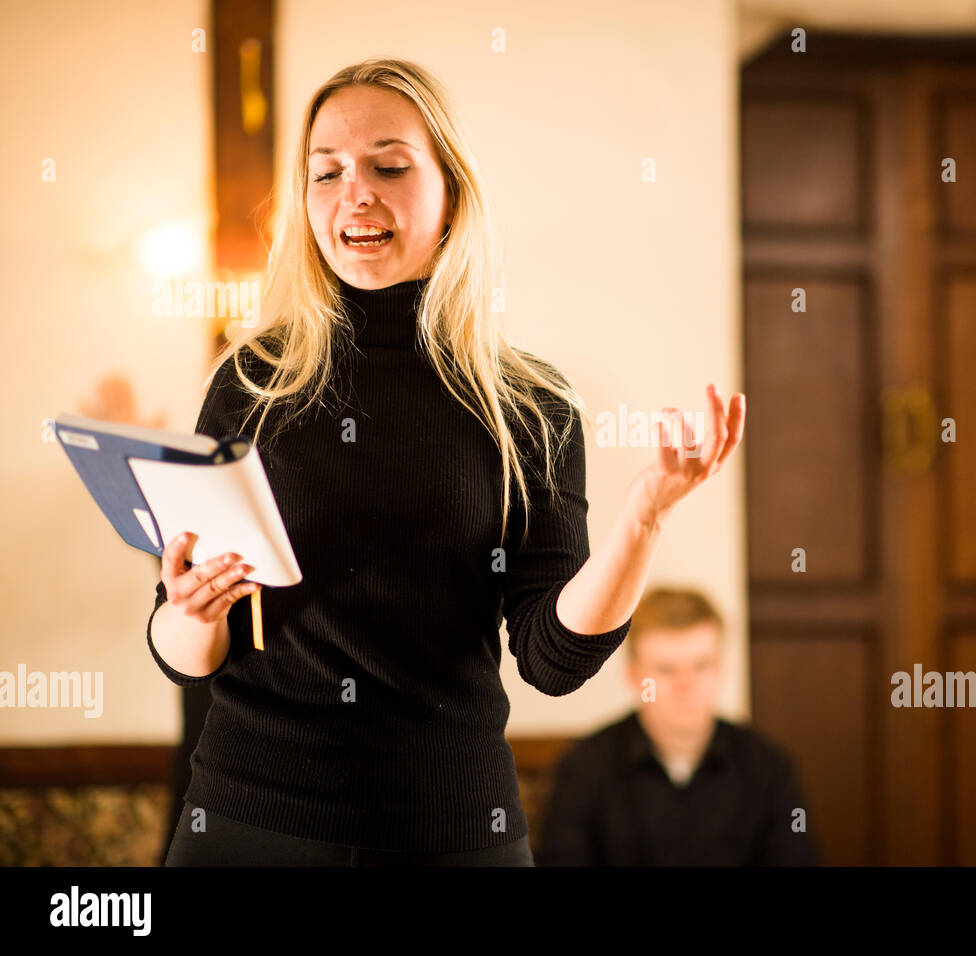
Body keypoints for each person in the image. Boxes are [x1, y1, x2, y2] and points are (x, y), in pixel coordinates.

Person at [147, 57, 746, 867]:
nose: (355, 191)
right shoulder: (254, 380)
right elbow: (185, 657)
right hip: (250, 825)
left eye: (389, 166)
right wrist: (189, 610)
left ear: (452, 193)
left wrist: (643, 520)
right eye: (326, 172)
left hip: (452, 834)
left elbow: (552, 660)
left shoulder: (528, 406)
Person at [537, 587, 820, 866]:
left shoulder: (770, 769)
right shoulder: (583, 769)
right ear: (635, 676)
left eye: (701, 666)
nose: (686, 686)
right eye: (666, 669)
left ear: (720, 669)